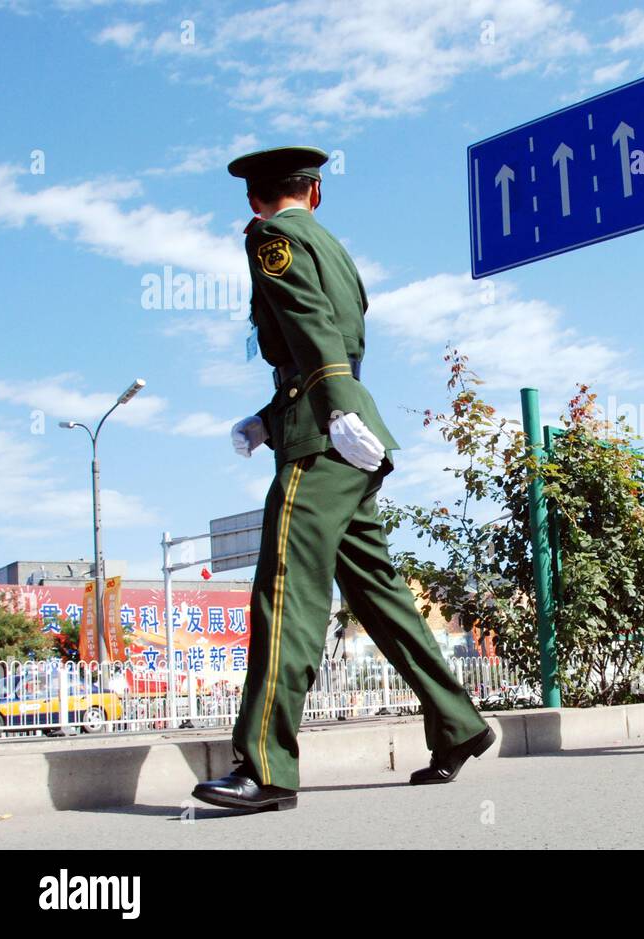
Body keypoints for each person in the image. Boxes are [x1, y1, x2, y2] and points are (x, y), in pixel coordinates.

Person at [193, 147, 493, 813]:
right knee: (379, 592)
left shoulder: (273, 236)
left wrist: (326, 408)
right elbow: (339, 335)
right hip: (344, 430)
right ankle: (458, 722)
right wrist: (273, 416)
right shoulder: (336, 247)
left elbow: (309, 326)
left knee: (286, 588)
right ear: (317, 192)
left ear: (254, 200)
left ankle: (266, 767)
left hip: (325, 436)